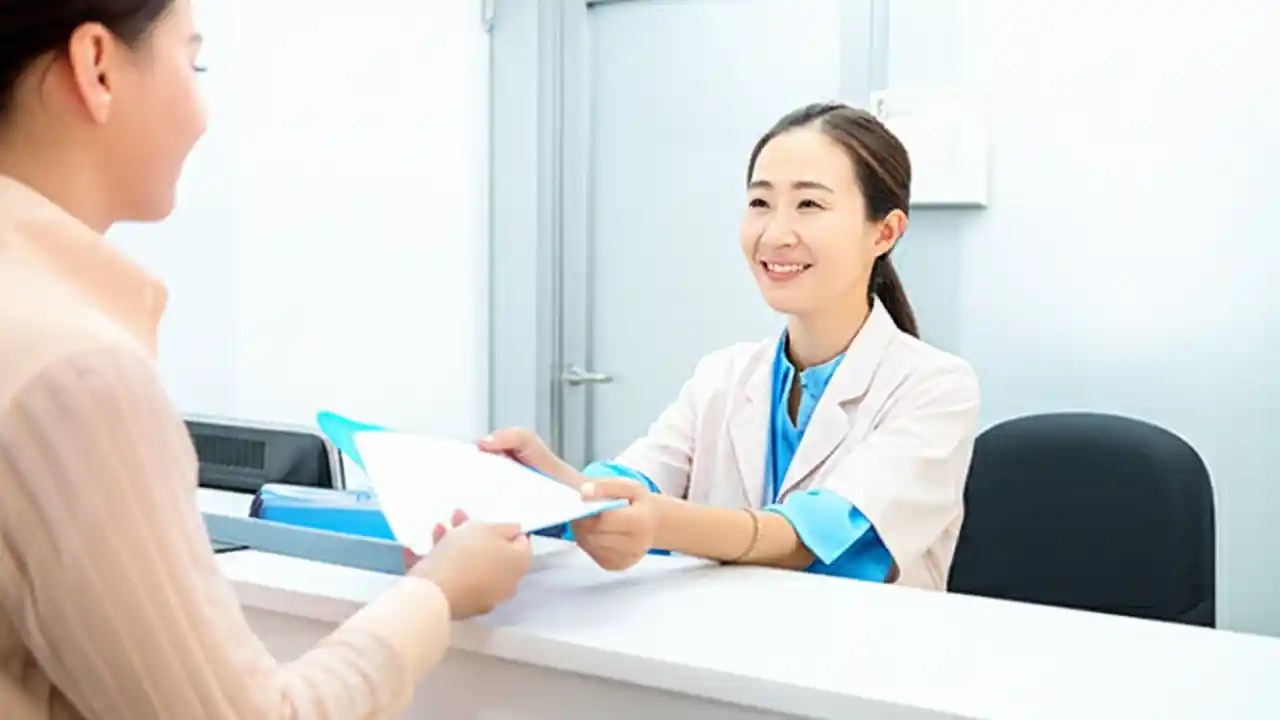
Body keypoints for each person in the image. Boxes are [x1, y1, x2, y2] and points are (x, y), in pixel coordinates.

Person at [0, 2, 531, 718]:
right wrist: (438, 591)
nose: (202, 114)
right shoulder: (76, 372)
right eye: (195, 63)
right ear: (97, 68)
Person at [483, 102, 980, 590]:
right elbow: (638, 484)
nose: (775, 233)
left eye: (809, 204)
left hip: (862, 660)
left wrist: (662, 524)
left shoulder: (936, 387)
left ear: (885, 232)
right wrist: (553, 484)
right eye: (760, 203)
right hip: (724, 653)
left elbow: (817, 541)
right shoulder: (722, 374)